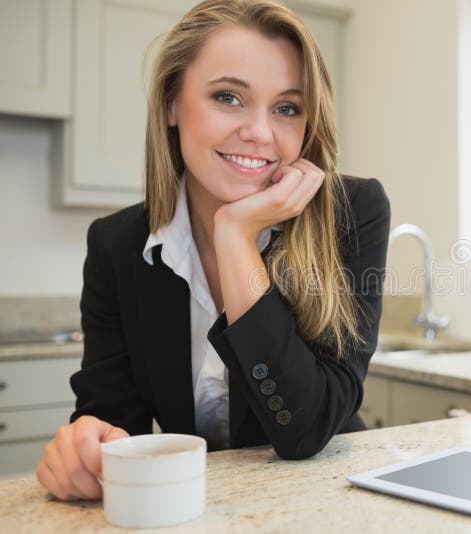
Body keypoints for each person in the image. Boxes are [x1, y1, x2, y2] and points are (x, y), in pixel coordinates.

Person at [36, 0, 390, 501]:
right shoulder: (117, 244)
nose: (261, 133)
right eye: (228, 97)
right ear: (171, 103)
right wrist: (86, 448)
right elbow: (114, 421)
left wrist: (236, 238)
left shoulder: (351, 213)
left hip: (325, 501)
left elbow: (305, 430)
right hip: (194, 506)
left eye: (287, 108)